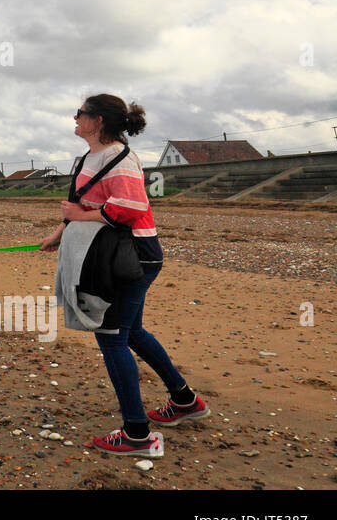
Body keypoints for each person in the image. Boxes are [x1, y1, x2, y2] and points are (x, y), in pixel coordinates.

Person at [38, 94, 209, 456]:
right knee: (130, 332)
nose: (75, 117)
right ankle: (184, 401)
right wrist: (59, 232)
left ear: (97, 121)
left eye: (80, 113)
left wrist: (81, 217)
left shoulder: (121, 157)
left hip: (132, 258)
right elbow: (82, 203)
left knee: (112, 336)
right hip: (116, 255)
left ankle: (137, 435)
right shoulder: (91, 157)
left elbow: (130, 209)